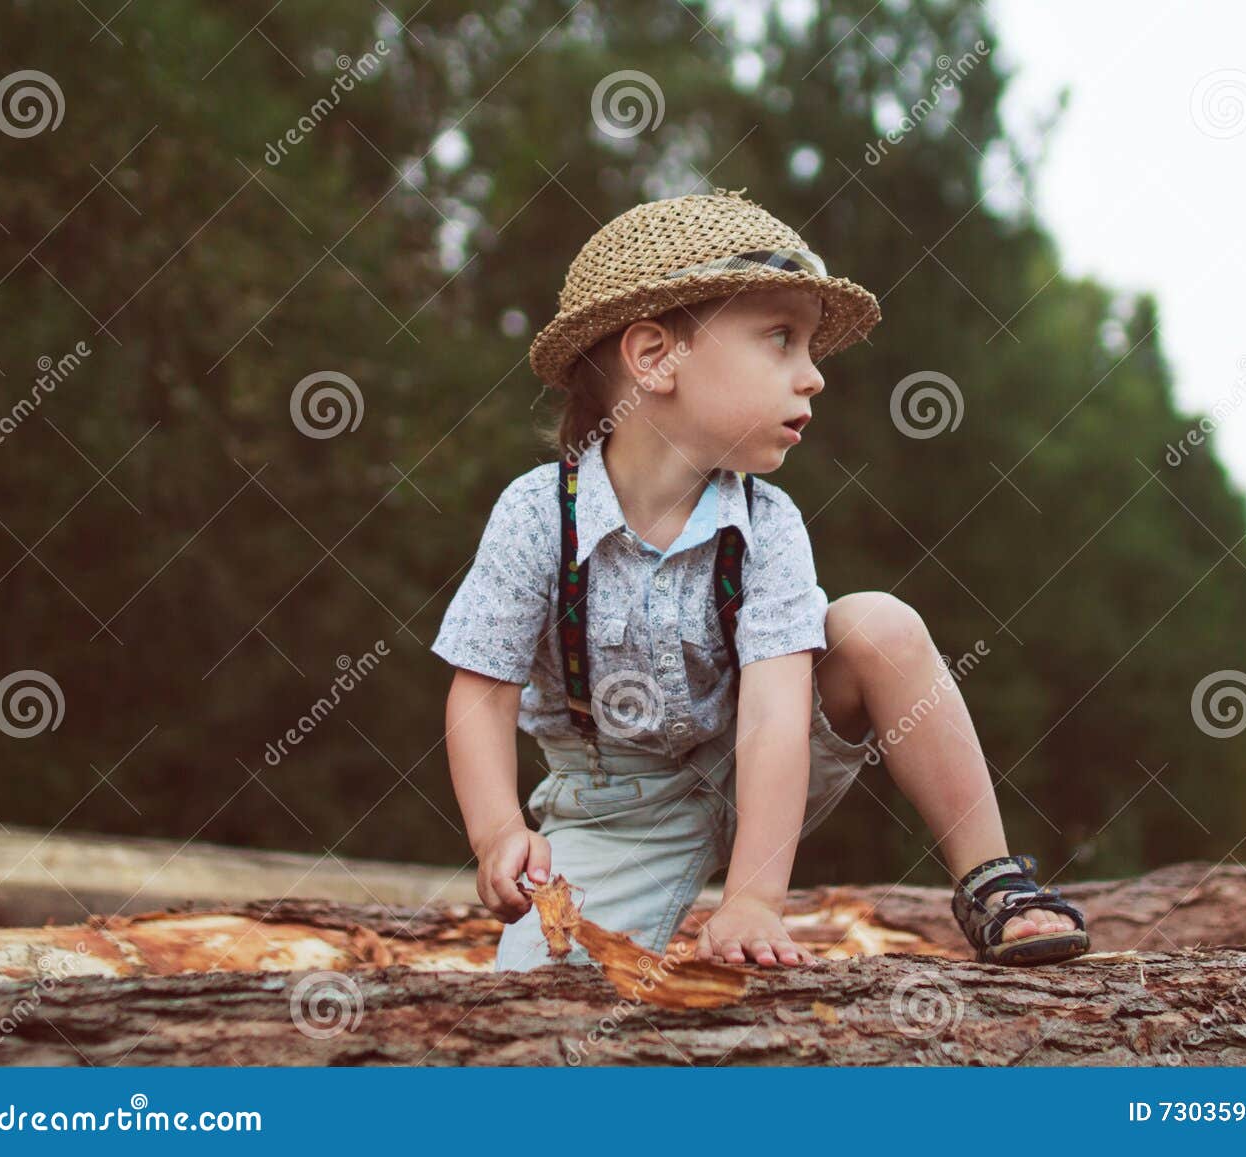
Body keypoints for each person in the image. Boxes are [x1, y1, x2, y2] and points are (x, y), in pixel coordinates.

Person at [431, 187, 1090, 971]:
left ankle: (993, 880)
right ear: (655, 357)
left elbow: (777, 717)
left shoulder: (769, 524)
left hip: (755, 767)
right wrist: (498, 831)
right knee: (540, 990)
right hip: (612, 811)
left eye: (810, 347)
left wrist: (753, 897)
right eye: (781, 338)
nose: (812, 376)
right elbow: (482, 689)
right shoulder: (538, 514)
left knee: (878, 626)